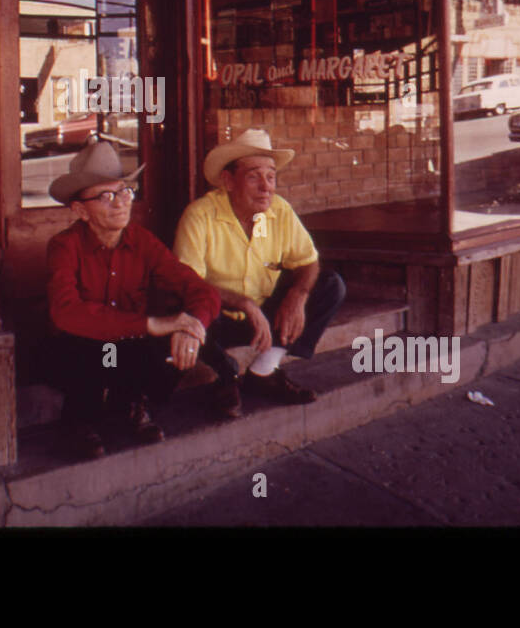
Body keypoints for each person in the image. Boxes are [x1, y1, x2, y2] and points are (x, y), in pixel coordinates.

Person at [46, 140, 220, 460]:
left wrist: (191, 326)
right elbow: (65, 312)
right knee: (84, 344)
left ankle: (130, 404)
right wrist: (150, 324)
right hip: (80, 350)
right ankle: (77, 421)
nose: (120, 203)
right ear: (80, 210)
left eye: (125, 192)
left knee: (178, 341)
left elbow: (202, 291)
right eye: (105, 196)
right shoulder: (64, 246)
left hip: (127, 346)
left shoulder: (142, 241)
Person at [174, 128, 347, 419]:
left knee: (330, 285)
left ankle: (264, 370)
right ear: (228, 181)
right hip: (215, 319)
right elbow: (188, 284)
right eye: (254, 176)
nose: (266, 187)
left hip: (263, 320)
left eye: (271, 176)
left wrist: (297, 295)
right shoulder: (200, 214)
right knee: (186, 309)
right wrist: (244, 303)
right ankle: (224, 378)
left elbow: (308, 261)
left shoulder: (279, 211)